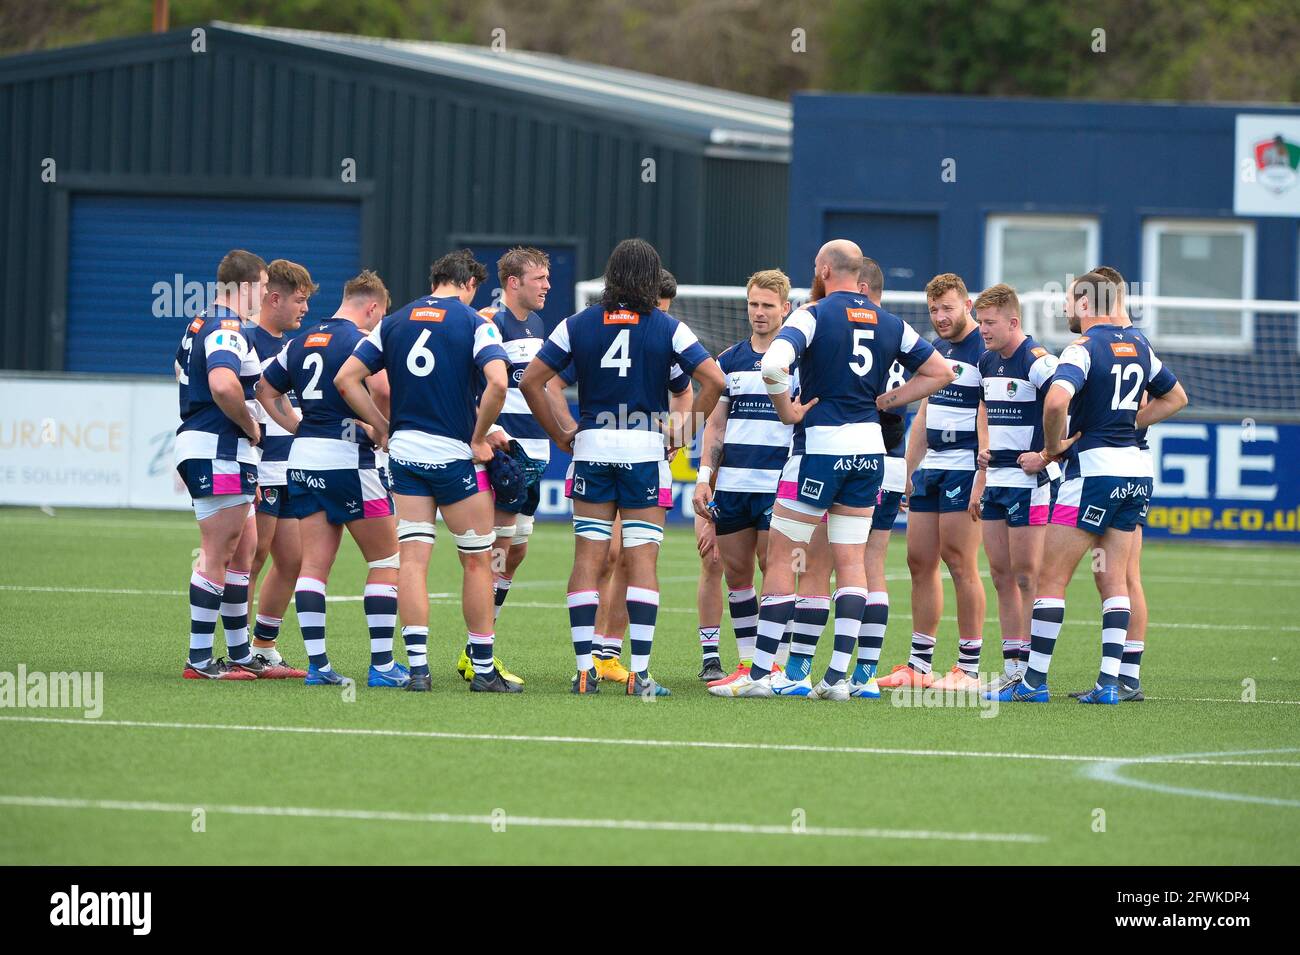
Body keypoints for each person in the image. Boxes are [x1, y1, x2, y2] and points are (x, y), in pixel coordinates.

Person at [712, 239, 954, 699]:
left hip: (819, 449)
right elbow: (941, 372)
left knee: (783, 558)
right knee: (853, 563)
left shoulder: (813, 314)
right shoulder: (891, 322)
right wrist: (888, 400)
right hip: (870, 454)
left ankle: (761, 675)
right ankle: (841, 679)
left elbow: (773, 365)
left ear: (824, 270)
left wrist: (787, 411)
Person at [521, 239, 725, 696]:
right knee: (642, 560)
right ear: (651, 278)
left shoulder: (577, 323)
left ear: (610, 275)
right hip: (643, 450)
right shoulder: (668, 327)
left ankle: (583, 671)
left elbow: (532, 381)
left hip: (592, 446)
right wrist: (684, 435)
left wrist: (561, 433)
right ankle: (640, 674)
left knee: (587, 560)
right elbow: (713, 379)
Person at [990, 271, 1187, 704]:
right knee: (1115, 578)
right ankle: (1109, 685)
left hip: (1093, 474)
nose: (1065, 309)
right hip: (1135, 474)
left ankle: (1033, 683)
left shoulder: (1083, 348)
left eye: (1068, 300)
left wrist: (1052, 448)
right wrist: (1129, 423)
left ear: (1085, 303)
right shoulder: (1139, 345)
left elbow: (1056, 400)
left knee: (1051, 578)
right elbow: (1176, 397)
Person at [336, 250, 518, 694]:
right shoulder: (475, 323)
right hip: (453, 456)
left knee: (413, 561)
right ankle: (483, 669)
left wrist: (382, 427)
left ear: (435, 279)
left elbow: (346, 379)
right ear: (469, 284)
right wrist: (479, 436)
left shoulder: (393, 322)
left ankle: (418, 669)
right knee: (476, 561)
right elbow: (498, 382)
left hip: (405, 456)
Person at [256, 269, 410, 688]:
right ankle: (382, 666)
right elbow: (383, 390)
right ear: (373, 307)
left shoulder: (299, 341)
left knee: (313, 566)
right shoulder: (362, 341)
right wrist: (382, 428)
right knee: (385, 561)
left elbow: (264, 390)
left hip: (303, 459)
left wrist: (296, 426)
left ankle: (319, 667)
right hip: (349, 462)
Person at [556, 270, 695, 683]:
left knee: (619, 556)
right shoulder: (650, 330)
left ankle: (604, 654)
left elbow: (685, 390)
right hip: (631, 452)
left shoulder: (654, 331)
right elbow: (711, 380)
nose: (659, 313)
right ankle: (615, 662)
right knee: (617, 556)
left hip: (610, 450)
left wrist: (680, 432)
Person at [693, 269, 809, 687]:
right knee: (736, 575)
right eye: (753, 304)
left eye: (767, 305)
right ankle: (747, 665)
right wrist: (705, 478)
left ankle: (778, 664)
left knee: (776, 569)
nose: (759, 312)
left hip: (779, 484)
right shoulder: (729, 361)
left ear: (786, 309)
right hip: (733, 486)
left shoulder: (798, 363)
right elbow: (715, 426)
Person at [1067, 265, 1177, 701]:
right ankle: (1122, 676)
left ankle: (1125, 676)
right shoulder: (1132, 341)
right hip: (1128, 465)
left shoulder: (1116, 343)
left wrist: (1130, 424)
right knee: (1115, 574)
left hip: (1114, 463)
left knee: (1122, 575)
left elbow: (1159, 398)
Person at [877, 273, 987, 691]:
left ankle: (969, 668)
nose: (940, 316)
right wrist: (907, 469)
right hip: (932, 468)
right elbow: (924, 413)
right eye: (934, 309)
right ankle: (919, 666)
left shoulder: (986, 350)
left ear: (967, 306)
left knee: (959, 561)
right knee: (919, 560)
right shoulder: (936, 350)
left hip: (965, 466)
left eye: (948, 308)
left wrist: (984, 473)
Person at [174, 249, 267, 680]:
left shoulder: (200, 322)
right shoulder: (227, 326)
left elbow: (180, 369)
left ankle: (240, 653)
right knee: (219, 552)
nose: (264, 295)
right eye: (262, 287)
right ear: (245, 286)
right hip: (220, 449)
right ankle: (198, 660)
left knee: (243, 550)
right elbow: (223, 384)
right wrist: (249, 425)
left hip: (217, 448)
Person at [972, 283, 1059, 693]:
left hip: (1030, 485)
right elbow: (983, 408)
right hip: (996, 482)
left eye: (990, 322)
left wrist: (1046, 454)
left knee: (1027, 577)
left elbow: (1068, 404)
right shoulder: (986, 360)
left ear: (1013, 321)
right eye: (980, 322)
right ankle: (1012, 668)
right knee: (1000, 575)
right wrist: (982, 459)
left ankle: (1033, 672)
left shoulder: (1037, 360)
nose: (983, 329)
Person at [245, 259, 314, 678]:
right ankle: (238, 650)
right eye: (299, 301)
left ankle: (264, 646)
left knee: (292, 559)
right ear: (274, 299)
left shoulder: (292, 346)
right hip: (261, 466)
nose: (305, 309)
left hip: (290, 466)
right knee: (252, 557)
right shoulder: (245, 339)